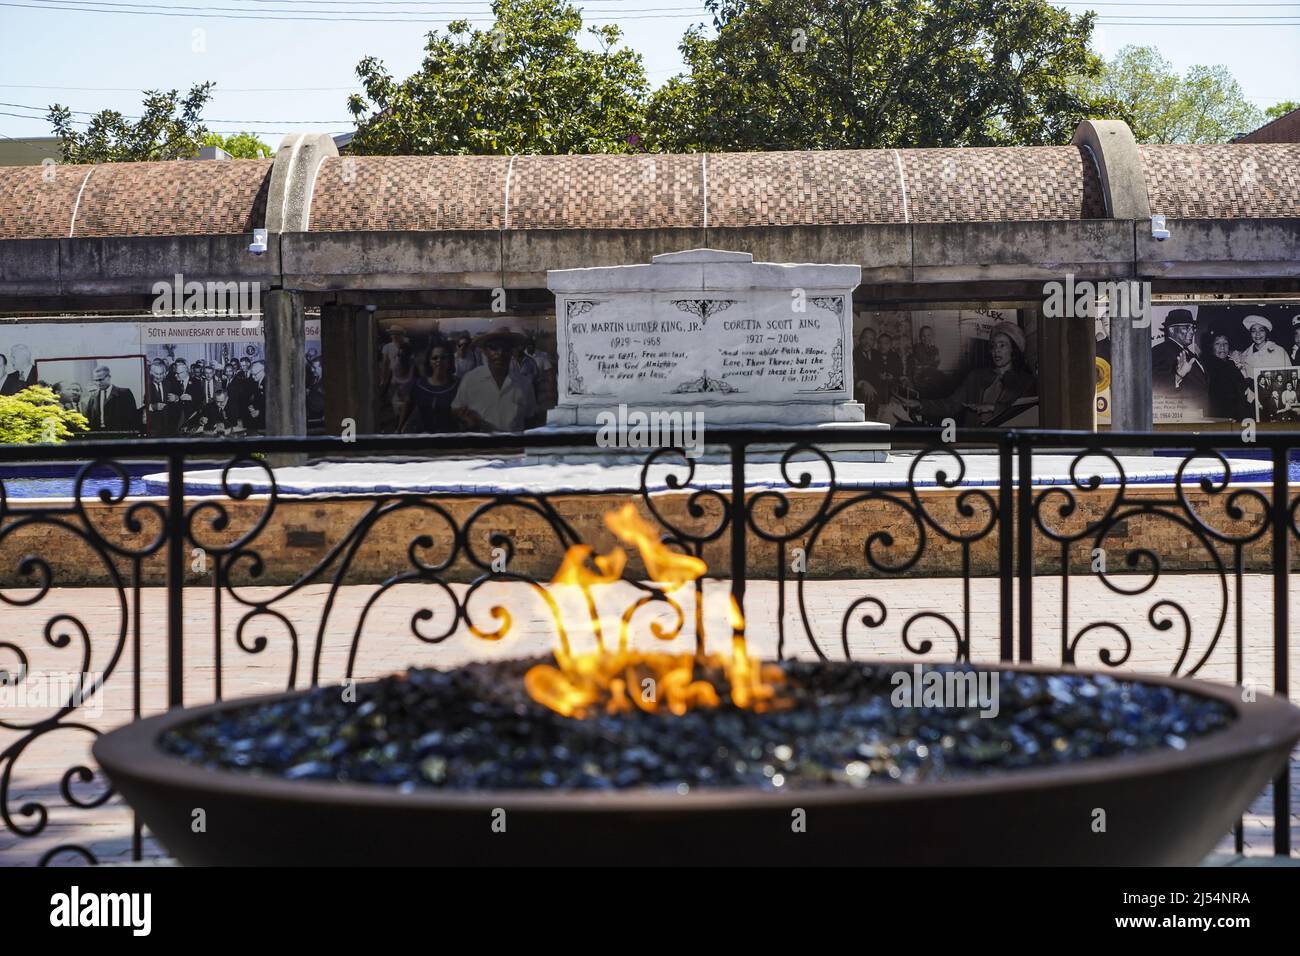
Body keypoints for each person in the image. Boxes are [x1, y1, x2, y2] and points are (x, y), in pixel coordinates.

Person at [903, 322, 1036, 426]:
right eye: (993, 346)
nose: (996, 350)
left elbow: (1027, 414)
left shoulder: (1025, 381)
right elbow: (951, 404)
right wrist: (921, 405)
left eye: (1002, 345)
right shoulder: (975, 377)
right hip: (976, 442)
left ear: (1014, 350)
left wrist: (992, 408)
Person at [452, 329, 536, 431]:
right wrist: (466, 419)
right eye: (493, 347)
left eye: (505, 348)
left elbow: (530, 420)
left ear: (511, 352)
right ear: (484, 351)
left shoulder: (525, 384)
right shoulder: (470, 379)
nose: (500, 353)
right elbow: (456, 410)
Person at [401, 344, 459, 433]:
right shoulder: (418, 385)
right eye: (435, 358)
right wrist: (399, 429)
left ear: (450, 361)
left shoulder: (458, 386)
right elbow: (407, 408)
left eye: (443, 357)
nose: (439, 360)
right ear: (429, 362)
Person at [1152, 309, 1206, 398]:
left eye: (1192, 327)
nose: (1192, 331)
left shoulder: (1190, 353)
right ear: (1172, 330)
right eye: (1186, 327)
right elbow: (1156, 386)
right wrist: (1178, 376)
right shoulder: (1160, 351)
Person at [1203, 333, 1254, 421]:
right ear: (1211, 346)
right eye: (1217, 343)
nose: (1222, 347)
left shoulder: (1230, 363)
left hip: (1237, 415)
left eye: (1225, 343)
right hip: (1224, 417)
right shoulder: (1209, 366)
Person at [81, 365, 140, 431]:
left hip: (119, 435)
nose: (98, 383)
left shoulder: (124, 394)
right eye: (96, 380)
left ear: (109, 377)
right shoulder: (93, 397)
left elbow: (132, 417)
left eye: (100, 380)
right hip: (98, 435)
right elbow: (88, 419)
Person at [1236, 315, 1287, 381]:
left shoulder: (1279, 351)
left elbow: (1289, 374)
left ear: (1266, 332)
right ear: (1250, 333)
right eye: (1254, 331)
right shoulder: (1244, 355)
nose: (1257, 334)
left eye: (1261, 330)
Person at [907, 325, 943, 395]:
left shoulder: (935, 349)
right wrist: (933, 360)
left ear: (932, 336)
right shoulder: (917, 347)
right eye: (923, 336)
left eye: (928, 335)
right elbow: (923, 359)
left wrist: (931, 362)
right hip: (918, 374)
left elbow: (936, 364)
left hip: (929, 373)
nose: (926, 338)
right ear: (920, 337)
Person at [243, 360, 267, 432]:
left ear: (263, 371)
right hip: (258, 421)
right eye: (252, 374)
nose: (253, 377)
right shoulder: (256, 382)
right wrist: (253, 406)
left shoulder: (269, 383)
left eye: (255, 374)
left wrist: (260, 412)